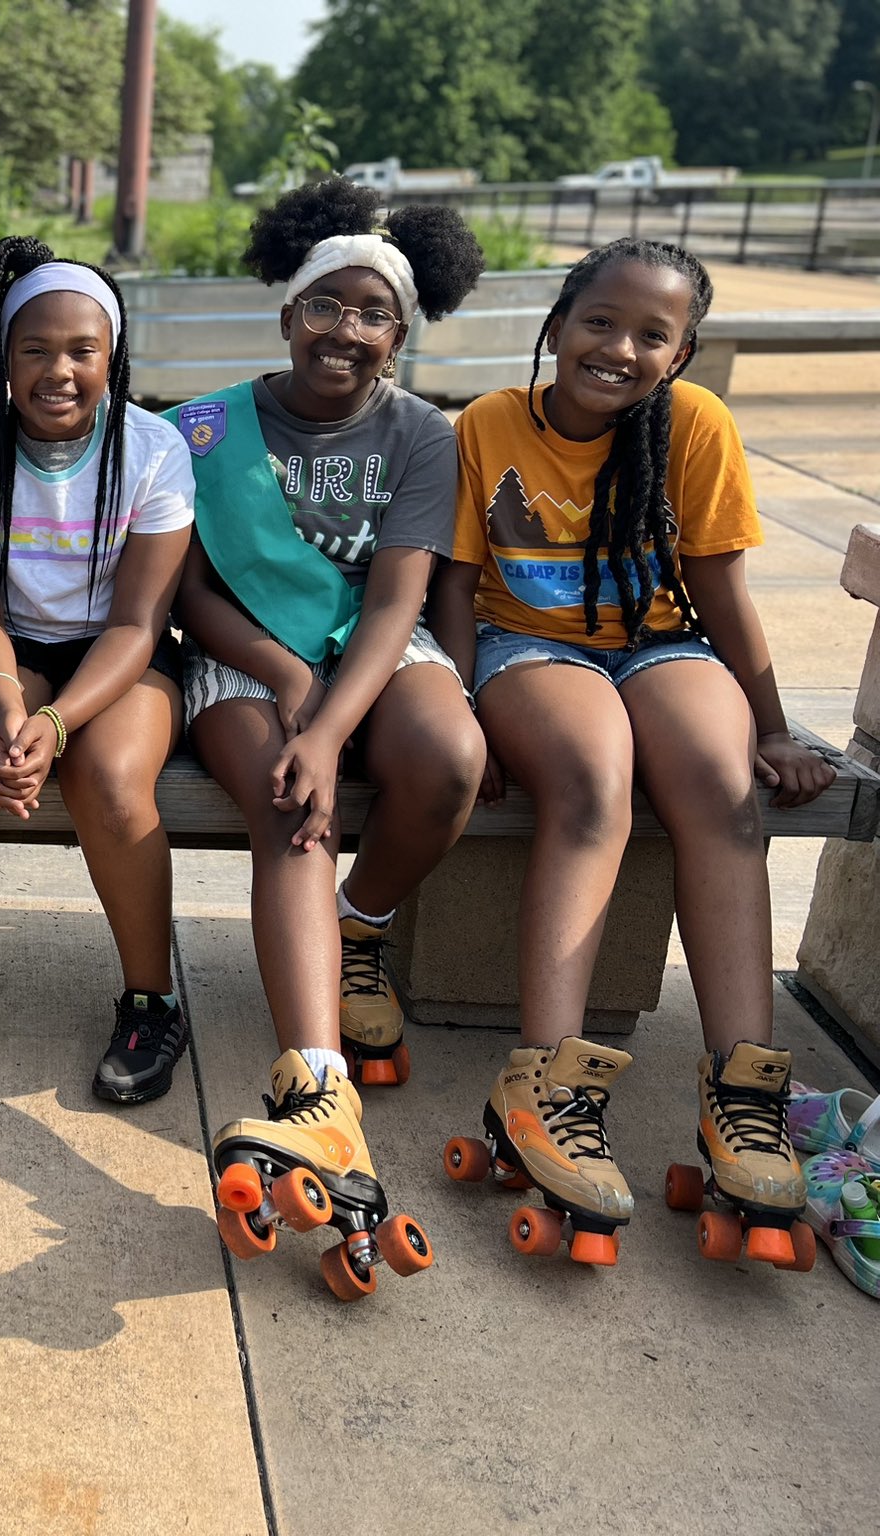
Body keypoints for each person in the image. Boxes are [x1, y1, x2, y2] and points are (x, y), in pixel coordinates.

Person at [431, 237, 836, 1267]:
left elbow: (719, 590)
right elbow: (452, 590)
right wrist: (461, 707)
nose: (617, 347)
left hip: (660, 640)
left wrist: (773, 724)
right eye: (598, 322)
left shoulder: (694, 427)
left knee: (717, 783)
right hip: (525, 644)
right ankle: (546, 1084)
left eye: (650, 335)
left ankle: (741, 1095)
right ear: (557, 324)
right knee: (592, 782)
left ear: (681, 353)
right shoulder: (487, 424)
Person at [173, 176, 486, 1299]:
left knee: (450, 759)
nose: (343, 332)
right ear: (285, 314)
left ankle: (358, 927)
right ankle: (314, 1083)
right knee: (281, 796)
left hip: (368, 647)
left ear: (396, 336)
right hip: (244, 654)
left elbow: (400, 598)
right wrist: (285, 681)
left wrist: (332, 711)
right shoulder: (201, 430)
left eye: (370, 316)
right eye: (324, 307)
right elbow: (188, 595)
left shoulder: (419, 436)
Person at [0, 238, 192, 1102]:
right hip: (5, 647)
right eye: (34, 349)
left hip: (118, 658)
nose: (59, 370)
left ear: (112, 357)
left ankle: (149, 999)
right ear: (3, 356)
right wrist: (13, 708)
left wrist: (55, 727)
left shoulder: (155, 449)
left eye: (82, 351)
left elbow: (139, 622)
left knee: (111, 776)